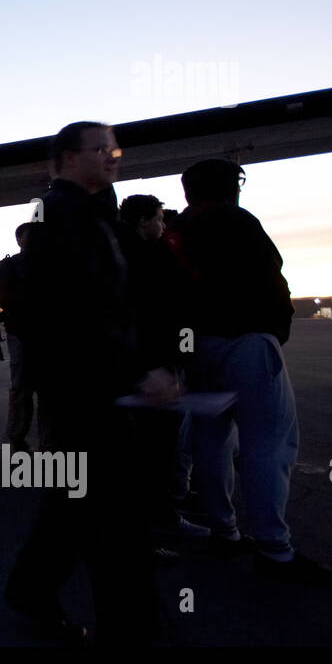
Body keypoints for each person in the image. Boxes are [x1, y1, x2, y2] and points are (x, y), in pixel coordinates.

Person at [4, 122, 180, 646]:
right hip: (88, 389)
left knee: (79, 504)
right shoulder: (61, 218)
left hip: (91, 387)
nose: (112, 157)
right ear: (65, 159)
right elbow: (75, 310)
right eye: (100, 149)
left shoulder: (94, 216)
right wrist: (135, 372)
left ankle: (32, 587)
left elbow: (117, 302)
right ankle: (130, 633)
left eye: (116, 148)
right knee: (116, 523)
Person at [177, 159, 332, 587]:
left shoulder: (176, 231)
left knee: (211, 440)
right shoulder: (238, 220)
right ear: (230, 186)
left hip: (198, 348)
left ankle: (224, 530)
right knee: (269, 442)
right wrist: (275, 331)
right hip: (247, 342)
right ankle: (274, 548)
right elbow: (273, 279)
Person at [118, 194, 210, 550]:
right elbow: (162, 315)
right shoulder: (147, 257)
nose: (163, 224)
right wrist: (167, 363)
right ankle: (155, 521)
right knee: (155, 451)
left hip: (134, 366)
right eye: (158, 218)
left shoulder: (117, 252)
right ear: (143, 221)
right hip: (150, 367)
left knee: (138, 452)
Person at [0, 223, 42, 451]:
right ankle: (19, 437)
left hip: (19, 332)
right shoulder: (10, 266)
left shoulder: (5, 266)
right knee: (24, 387)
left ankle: (17, 436)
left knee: (21, 387)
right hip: (24, 333)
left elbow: (0, 300)